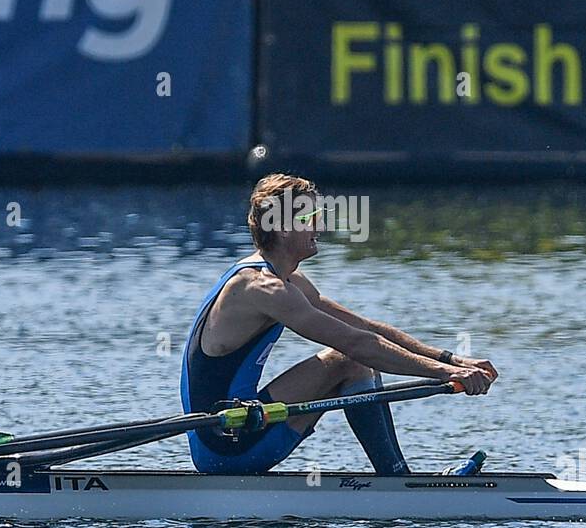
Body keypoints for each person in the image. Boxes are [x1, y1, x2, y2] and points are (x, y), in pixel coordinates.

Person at [180, 173, 496, 475]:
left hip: (245, 425)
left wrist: (451, 359)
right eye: (309, 216)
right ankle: (396, 482)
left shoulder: (288, 281)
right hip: (225, 444)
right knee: (350, 360)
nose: (319, 223)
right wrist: (447, 374)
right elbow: (357, 345)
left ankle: (396, 480)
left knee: (356, 361)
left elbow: (367, 330)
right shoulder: (261, 287)